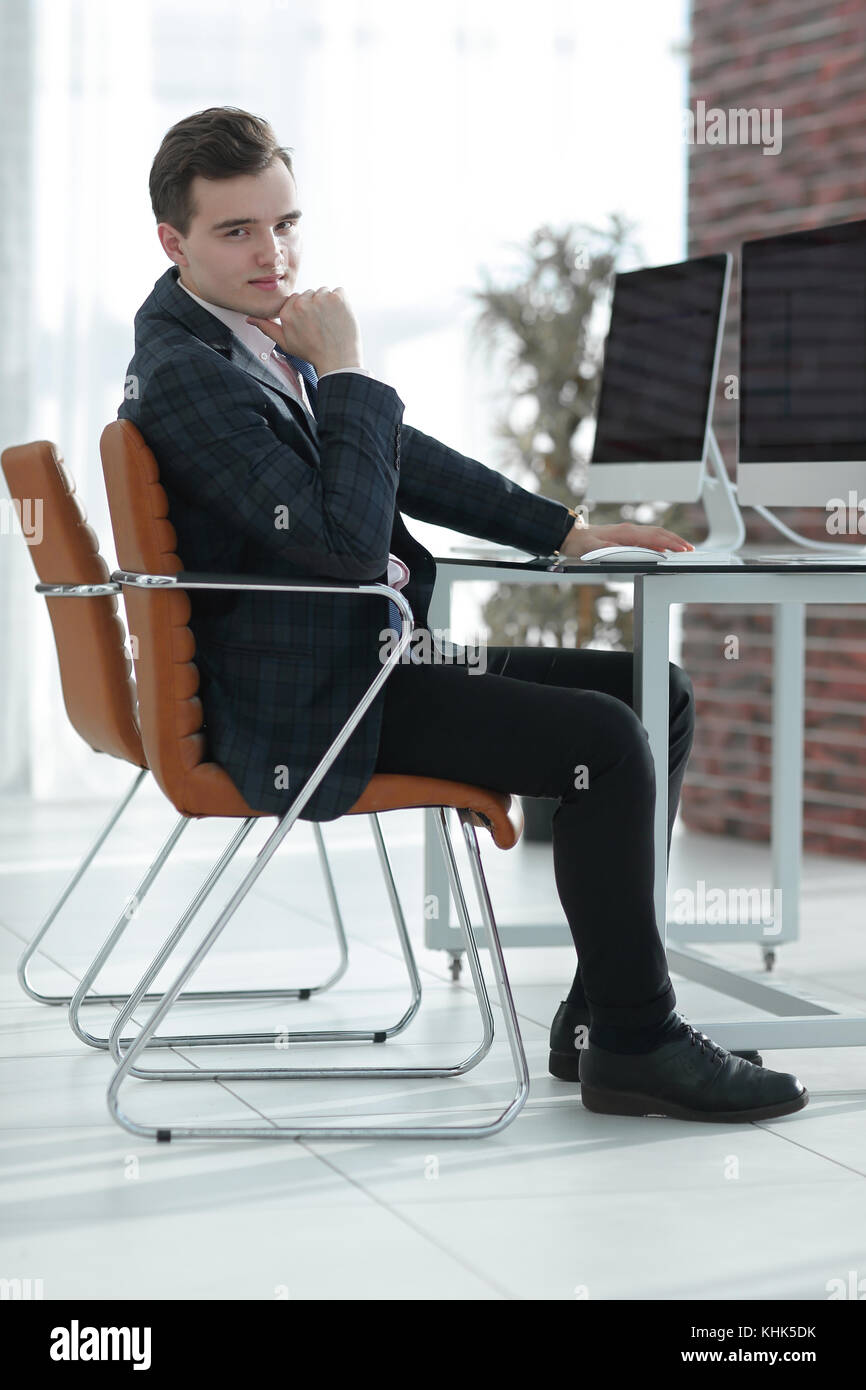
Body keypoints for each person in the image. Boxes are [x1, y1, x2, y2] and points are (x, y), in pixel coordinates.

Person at [118, 105, 808, 1123]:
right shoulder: (186, 375)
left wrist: (560, 529)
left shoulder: (239, 340)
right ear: (173, 241)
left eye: (283, 224)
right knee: (607, 742)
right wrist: (347, 367)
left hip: (364, 665)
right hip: (320, 702)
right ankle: (637, 1038)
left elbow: (399, 457)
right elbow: (347, 542)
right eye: (237, 232)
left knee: (646, 693)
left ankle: (599, 1012)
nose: (273, 253)